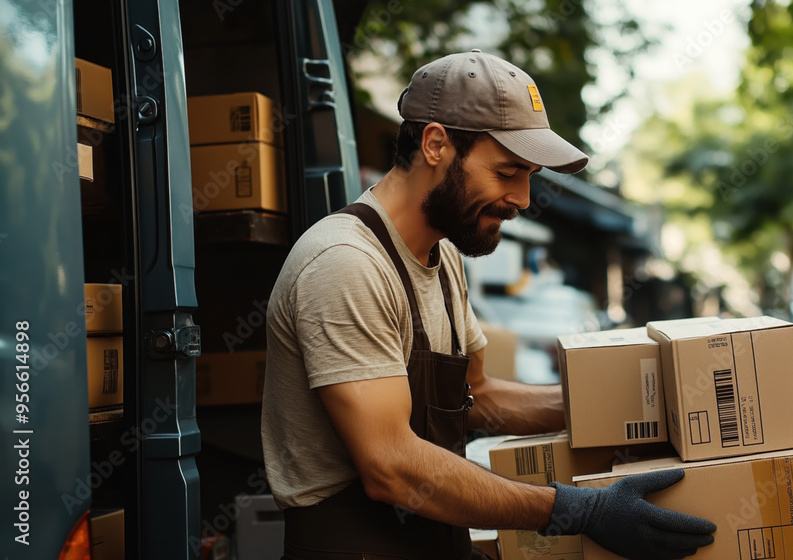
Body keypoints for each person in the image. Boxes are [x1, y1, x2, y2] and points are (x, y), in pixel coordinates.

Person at [261, 49, 716, 560]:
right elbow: (391, 465)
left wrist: (638, 412)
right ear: (435, 144)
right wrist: (576, 510)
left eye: (529, 176)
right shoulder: (346, 263)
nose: (523, 198)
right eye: (507, 172)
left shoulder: (444, 258)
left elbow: (479, 395)